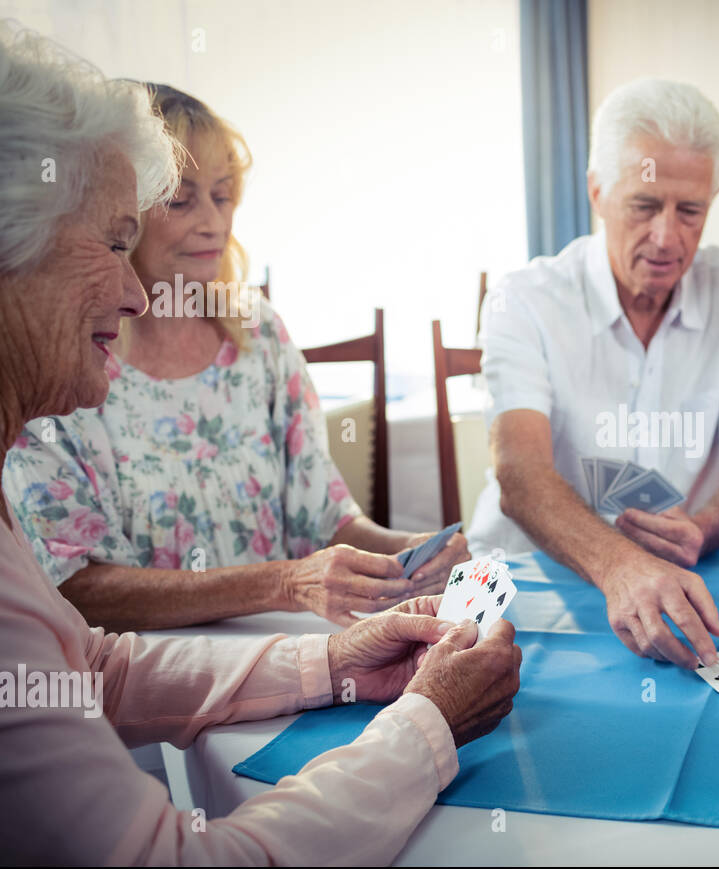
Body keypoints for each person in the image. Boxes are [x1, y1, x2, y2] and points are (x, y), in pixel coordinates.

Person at [0, 25, 520, 865]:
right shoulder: (56, 398)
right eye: (114, 240)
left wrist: (339, 657)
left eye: (226, 193)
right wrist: (429, 721)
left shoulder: (257, 336)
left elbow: (91, 666)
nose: (135, 290)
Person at [1, 82, 469, 633]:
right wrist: (282, 583)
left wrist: (410, 552)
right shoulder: (63, 363)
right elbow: (74, 587)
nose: (213, 222)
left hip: (290, 658)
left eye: (222, 196)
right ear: (121, 210)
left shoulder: (258, 333)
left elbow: (323, 518)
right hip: (152, 686)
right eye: (180, 198)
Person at [468, 78, 719, 669]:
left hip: (681, 578)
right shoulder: (523, 298)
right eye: (644, 206)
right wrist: (620, 563)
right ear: (597, 191)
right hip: (532, 580)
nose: (668, 238)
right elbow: (520, 473)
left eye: (691, 211)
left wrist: (705, 527)